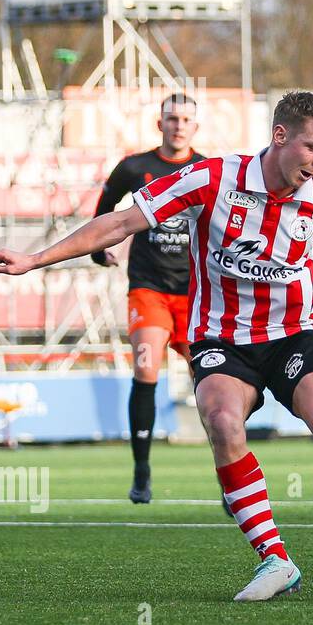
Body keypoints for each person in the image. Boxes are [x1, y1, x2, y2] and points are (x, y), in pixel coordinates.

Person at [0, 91, 313, 600]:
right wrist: (35, 260)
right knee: (223, 419)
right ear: (280, 136)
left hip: (291, 334)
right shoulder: (211, 179)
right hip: (221, 337)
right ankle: (275, 561)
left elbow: (307, 258)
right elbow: (121, 222)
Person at [91, 92, 205, 504]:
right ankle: (142, 472)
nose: (178, 125)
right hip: (149, 287)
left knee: (212, 384)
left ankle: (230, 478)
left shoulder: (206, 169)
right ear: (160, 124)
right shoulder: (135, 167)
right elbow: (105, 206)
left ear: (195, 126)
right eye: (171, 118)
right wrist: (95, 247)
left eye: (186, 119)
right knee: (146, 370)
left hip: (195, 293)